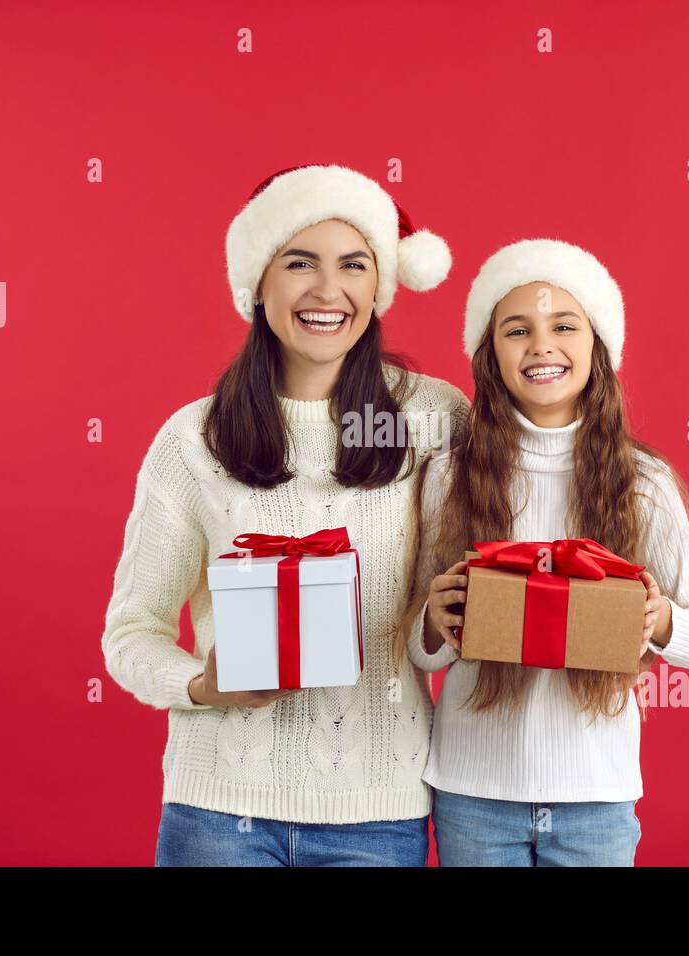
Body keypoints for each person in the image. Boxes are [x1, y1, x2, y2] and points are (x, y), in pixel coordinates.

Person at [102, 164, 468, 866]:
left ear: (379, 286)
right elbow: (131, 633)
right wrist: (201, 685)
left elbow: (441, 634)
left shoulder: (433, 421)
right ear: (258, 285)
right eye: (300, 263)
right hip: (218, 811)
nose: (328, 291)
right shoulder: (192, 439)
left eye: (353, 265)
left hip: (378, 813)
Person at [403, 238, 689, 866]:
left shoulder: (643, 482)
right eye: (516, 330)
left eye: (564, 326)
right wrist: (432, 621)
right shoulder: (450, 475)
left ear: (597, 347)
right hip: (473, 793)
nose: (541, 345)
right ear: (489, 355)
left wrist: (658, 620)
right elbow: (417, 648)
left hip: (596, 796)